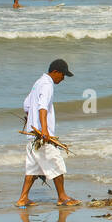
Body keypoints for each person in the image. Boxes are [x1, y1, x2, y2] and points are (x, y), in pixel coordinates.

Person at [15, 59, 79, 207]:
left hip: (32, 134)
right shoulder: (47, 84)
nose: (63, 79)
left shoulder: (38, 83)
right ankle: (62, 197)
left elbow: (26, 104)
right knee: (56, 162)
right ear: (55, 72)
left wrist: (30, 119)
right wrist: (44, 130)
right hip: (42, 135)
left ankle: (23, 198)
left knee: (32, 168)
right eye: (63, 75)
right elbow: (42, 107)